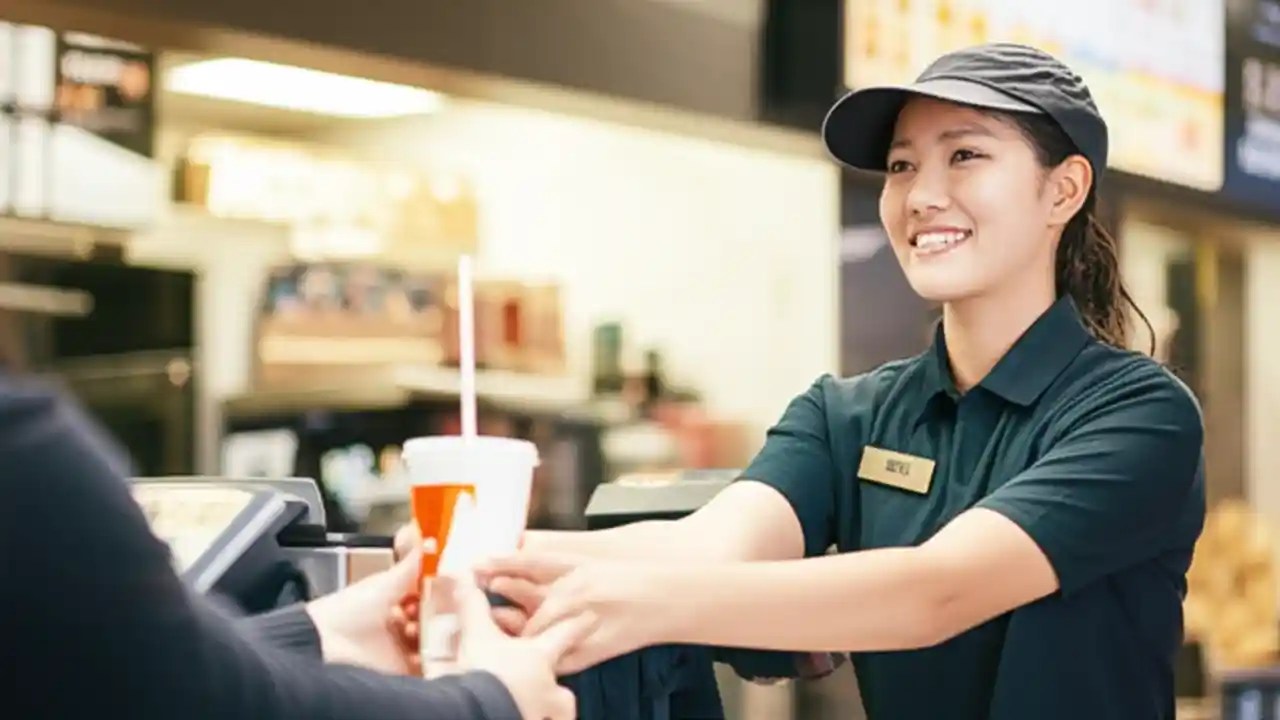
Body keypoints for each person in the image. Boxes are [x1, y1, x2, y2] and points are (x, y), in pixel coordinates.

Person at [424, 44, 1207, 720]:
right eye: (903, 165)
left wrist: (637, 607)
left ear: (1063, 190)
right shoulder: (848, 414)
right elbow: (709, 548)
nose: (921, 194)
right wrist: (467, 552)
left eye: (964, 155)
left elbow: (934, 592)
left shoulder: (1137, 413)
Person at [0, 370, 585, 720]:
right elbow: (207, 706)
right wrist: (491, 704)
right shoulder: (22, 456)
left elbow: (121, 677)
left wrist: (317, 632)